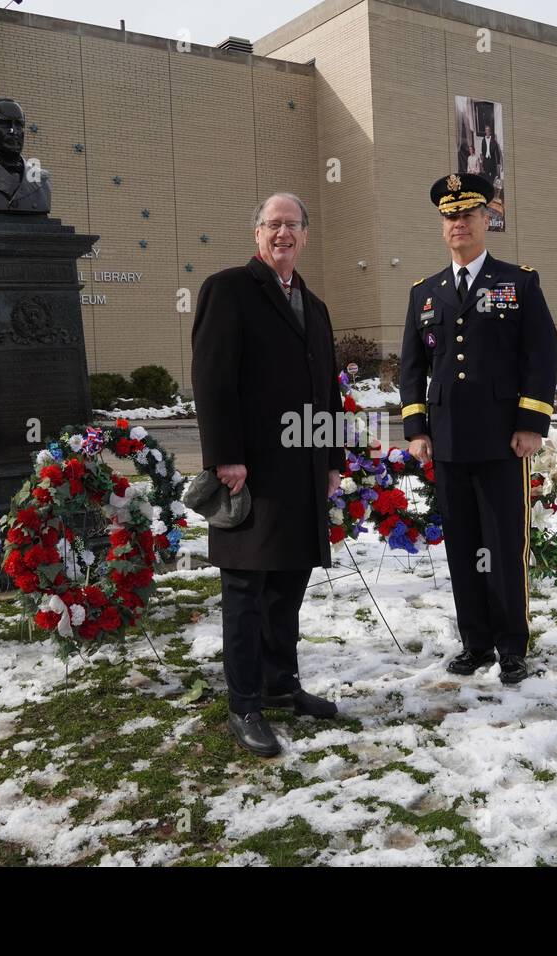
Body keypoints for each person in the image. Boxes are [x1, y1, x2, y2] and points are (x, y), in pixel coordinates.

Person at [191, 192, 344, 756]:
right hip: (248, 474)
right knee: (247, 590)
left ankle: (282, 685)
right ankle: (245, 702)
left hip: (301, 473)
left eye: (293, 225)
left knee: (288, 587)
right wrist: (224, 456)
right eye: (273, 224)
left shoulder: (315, 304)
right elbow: (212, 380)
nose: (283, 233)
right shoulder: (228, 289)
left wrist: (331, 461)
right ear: (257, 234)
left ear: (305, 236)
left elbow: (327, 392)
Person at [398, 173, 557, 685]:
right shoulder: (425, 291)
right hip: (445, 442)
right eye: (450, 216)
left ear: (488, 219)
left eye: (468, 213)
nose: (458, 224)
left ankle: (511, 645)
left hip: (502, 441)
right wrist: (416, 429)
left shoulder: (518, 282)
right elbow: (410, 370)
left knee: (504, 545)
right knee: (463, 546)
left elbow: (540, 356)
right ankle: (475, 643)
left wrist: (531, 423)